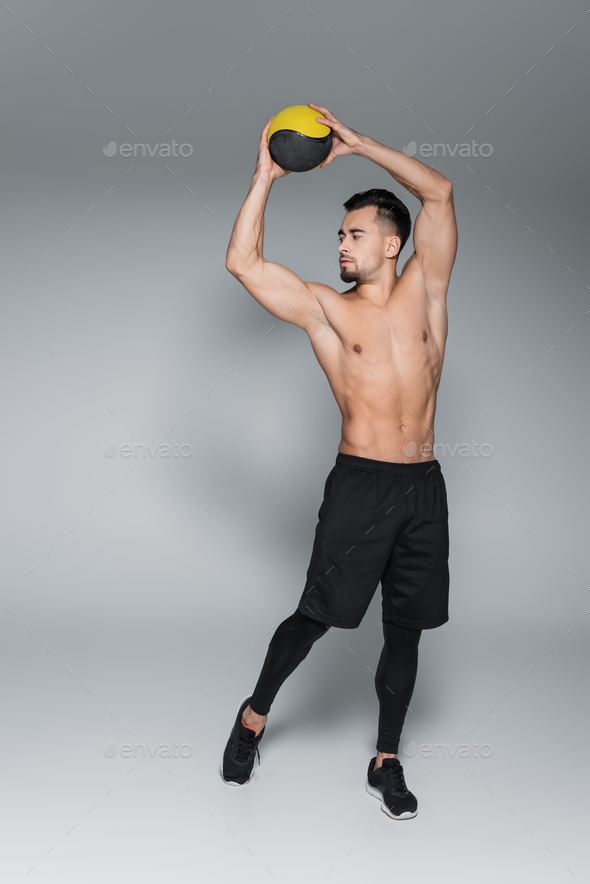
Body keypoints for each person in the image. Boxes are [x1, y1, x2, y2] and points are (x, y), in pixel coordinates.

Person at [220, 102, 458, 820]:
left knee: (406, 630)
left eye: (354, 234)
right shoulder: (327, 309)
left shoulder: (428, 289)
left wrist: (358, 146)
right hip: (360, 486)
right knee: (316, 616)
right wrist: (263, 176)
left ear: (392, 244)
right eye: (339, 235)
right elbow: (243, 264)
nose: (342, 245)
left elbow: (439, 193)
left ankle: (386, 759)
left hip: (424, 488)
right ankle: (254, 716)